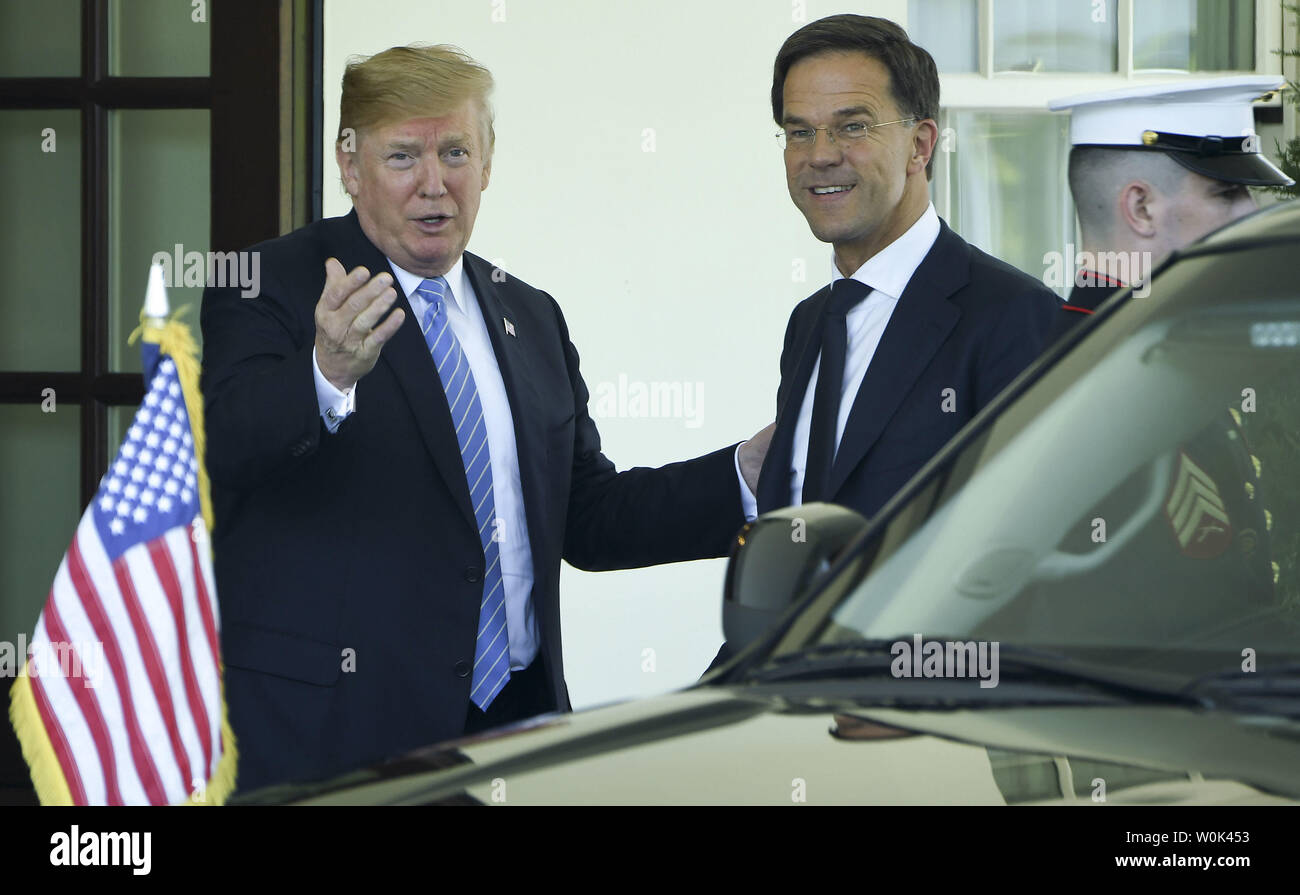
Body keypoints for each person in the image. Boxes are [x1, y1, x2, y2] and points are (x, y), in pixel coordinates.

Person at [200, 45, 766, 793]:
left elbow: (587, 516)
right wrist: (324, 375)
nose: (434, 184)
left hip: (513, 736)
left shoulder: (529, 315)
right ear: (349, 164)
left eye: (456, 152)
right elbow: (224, 450)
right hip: (333, 742)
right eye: (403, 155)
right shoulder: (269, 284)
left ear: (489, 161)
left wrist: (742, 475)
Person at [747, 15, 1056, 524]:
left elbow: (1029, 536)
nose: (820, 155)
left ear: (921, 144)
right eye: (799, 132)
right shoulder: (811, 322)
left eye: (853, 126)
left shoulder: (1016, 316)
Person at [1047, 76, 1294, 342]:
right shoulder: (1137, 361)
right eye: (1226, 193)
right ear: (1141, 209)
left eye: (1248, 193)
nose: (1251, 212)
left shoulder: (1082, 354)